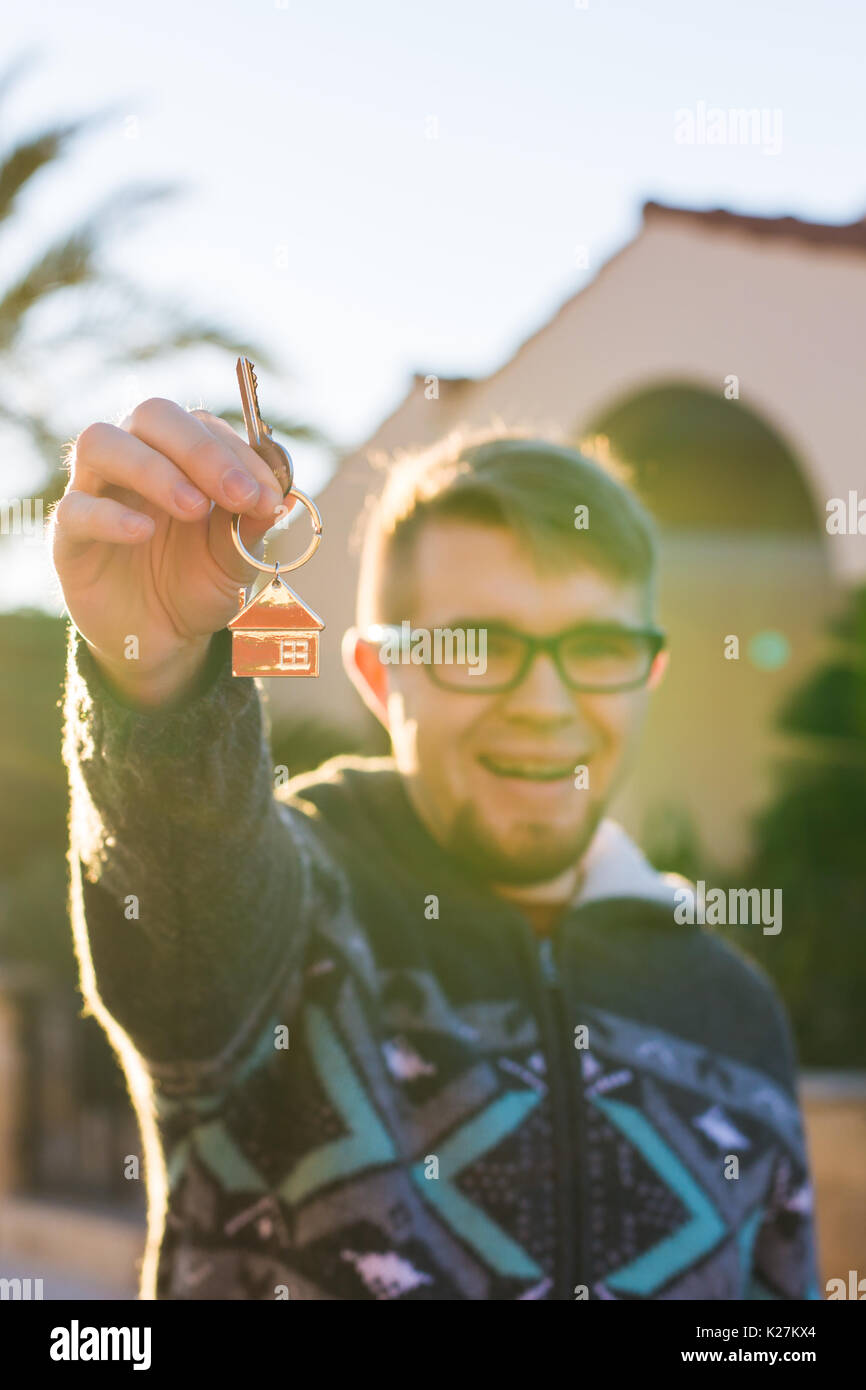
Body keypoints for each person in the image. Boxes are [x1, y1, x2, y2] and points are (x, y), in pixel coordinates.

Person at [53, 402, 819, 1300]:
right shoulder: (281, 914)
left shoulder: (731, 1010)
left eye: (598, 645)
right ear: (380, 675)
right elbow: (183, 907)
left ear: (649, 674)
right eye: (480, 645)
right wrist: (155, 678)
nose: (544, 702)